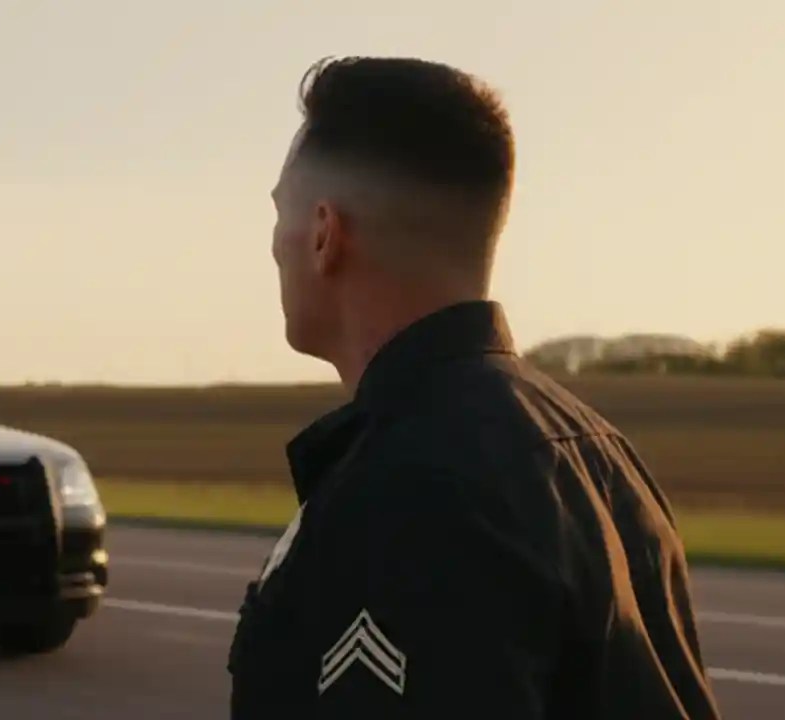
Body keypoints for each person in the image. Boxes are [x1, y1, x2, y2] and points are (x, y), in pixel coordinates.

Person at [227, 55, 723, 719]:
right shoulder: (596, 452)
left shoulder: (408, 490)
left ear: (324, 235)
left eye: (279, 213)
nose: (272, 246)